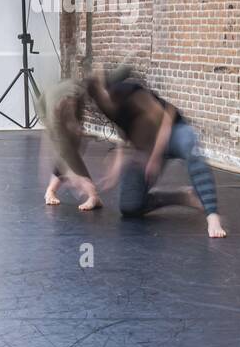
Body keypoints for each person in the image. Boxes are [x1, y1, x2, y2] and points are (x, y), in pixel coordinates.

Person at [86, 67, 227, 238]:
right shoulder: (104, 106)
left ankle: (212, 216)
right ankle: (183, 196)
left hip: (173, 130)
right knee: (130, 206)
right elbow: (125, 132)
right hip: (145, 146)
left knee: (191, 147)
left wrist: (154, 157)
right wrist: (116, 166)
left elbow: (165, 118)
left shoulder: (128, 92)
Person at [36, 77, 102, 211]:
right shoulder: (54, 118)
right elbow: (64, 150)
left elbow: (74, 113)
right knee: (66, 153)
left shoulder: (78, 91)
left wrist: (76, 126)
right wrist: (78, 178)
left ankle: (52, 190)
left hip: (70, 92)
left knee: (75, 144)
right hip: (45, 106)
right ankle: (92, 196)